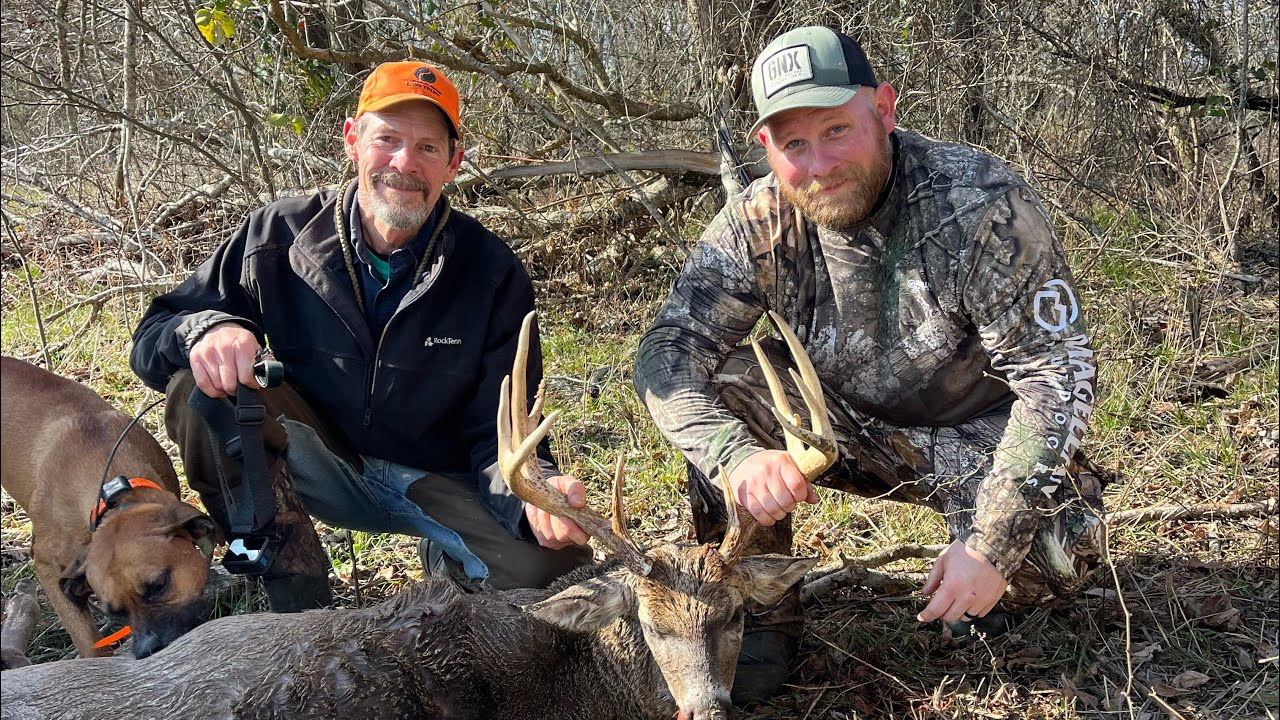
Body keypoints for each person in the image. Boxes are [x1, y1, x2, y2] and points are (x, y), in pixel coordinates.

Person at [634, 26, 1107, 702]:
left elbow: (1057, 377)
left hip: (981, 439)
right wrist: (734, 456)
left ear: (884, 110)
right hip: (836, 430)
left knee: (1057, 557)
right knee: (730, 385)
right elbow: (666, 352)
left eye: (836, 131)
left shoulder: (980, 206)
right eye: (794, 144)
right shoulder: (757, 221)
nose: (819, 163)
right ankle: (759, 609)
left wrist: (990, 546)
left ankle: (974, 578)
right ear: (766, 148)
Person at [131, 61, 592, 612]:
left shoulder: (491, 273)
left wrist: (534, 499)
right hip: (322, 461)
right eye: (388, 139)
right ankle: (290, 592)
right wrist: (208, 329)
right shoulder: (277, 235)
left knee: (554, 571)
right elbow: (154, 334)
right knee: (199, 385)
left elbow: (499, 431)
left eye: (427, 147)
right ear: (353, 141)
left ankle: (447, 559)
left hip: (432, 479)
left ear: (453, 163)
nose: (404, 163)